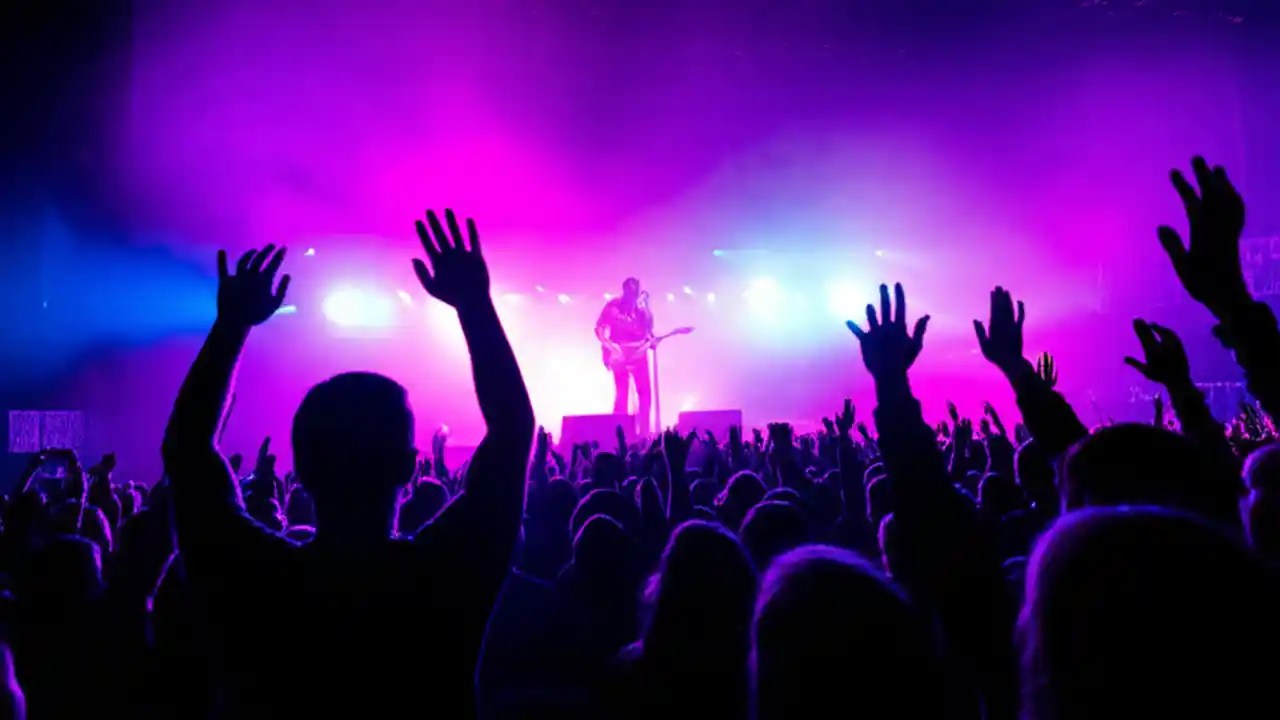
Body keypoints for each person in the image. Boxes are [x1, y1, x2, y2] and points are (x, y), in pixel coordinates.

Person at [161, 209, 534, 718]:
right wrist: (474, 305)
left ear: (302, 470)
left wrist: (231, 326)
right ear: (410, 467)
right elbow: (512, 433)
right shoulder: (444, 576)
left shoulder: (256, 580)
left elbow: (186, 449)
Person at [596, 278, 654, 435]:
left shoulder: (640, 308)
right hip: (619, 352)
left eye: (635, 293)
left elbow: (648, 328)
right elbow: (600, 329)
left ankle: (644, 433)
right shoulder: (613, 305)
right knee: (622, 393)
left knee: (644, 393)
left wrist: (646, 308)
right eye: (630, 293)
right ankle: (619, 432)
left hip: (638, 352)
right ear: (624, 291)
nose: (632, 296)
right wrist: (609, 346)